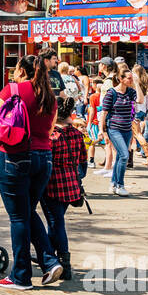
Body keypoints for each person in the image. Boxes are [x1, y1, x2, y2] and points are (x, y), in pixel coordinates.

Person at [0, 54, 63, 290]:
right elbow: (51, 126)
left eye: (15, 69)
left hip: (14, 156)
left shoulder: (13, 89)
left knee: (18, 217)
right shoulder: (50, 96)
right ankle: (49, 261)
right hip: (44, 158)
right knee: (26, 211)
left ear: (22, 71)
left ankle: (21, 276)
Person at [41, 95, 84, 282]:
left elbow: (45, 160)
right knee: (55, 222)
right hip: (71, 183)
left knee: (56, 223)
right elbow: (82, 160)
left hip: (53, 183)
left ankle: (64, 264)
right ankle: (51, 260)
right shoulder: (76, 133)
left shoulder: (52, 135)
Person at [101, 67, 139, 197]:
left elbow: (140, 100)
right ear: (121, 79)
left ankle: (113, 183)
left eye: (131, 78)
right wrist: (102, 130)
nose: (131, 80)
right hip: (114, 129)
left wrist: (137, 83)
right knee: (124, 155)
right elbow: (104, 113)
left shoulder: (131, 92)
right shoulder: (112, 93)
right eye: (129, 78)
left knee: (119, 157)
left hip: (127, 129)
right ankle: (120, 185)